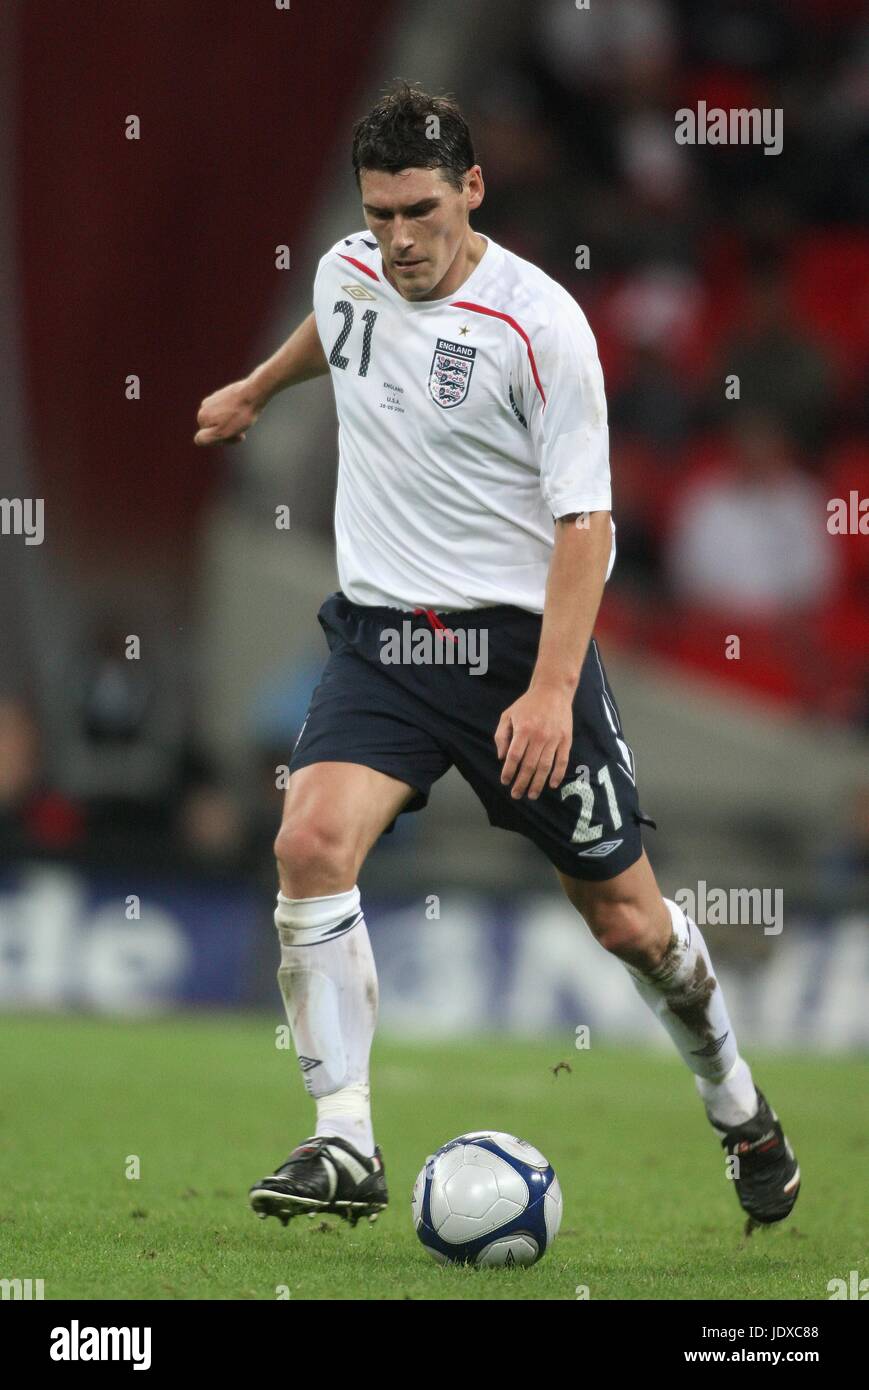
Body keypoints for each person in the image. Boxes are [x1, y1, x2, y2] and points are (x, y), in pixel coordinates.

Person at [194, 83, 799, 1234]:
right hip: (381, 639)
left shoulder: (542, 327)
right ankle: (344, 1142)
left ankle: (738, 1106)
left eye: (421, 210)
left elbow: (588, 526)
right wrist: (258, 391)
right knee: (307, 840)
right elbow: (337, 319)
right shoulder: (350, 266)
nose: (399, 240)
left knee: (625, 921)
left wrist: (550, 691)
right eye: (379, 215)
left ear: (472, 189)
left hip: (516, 653)